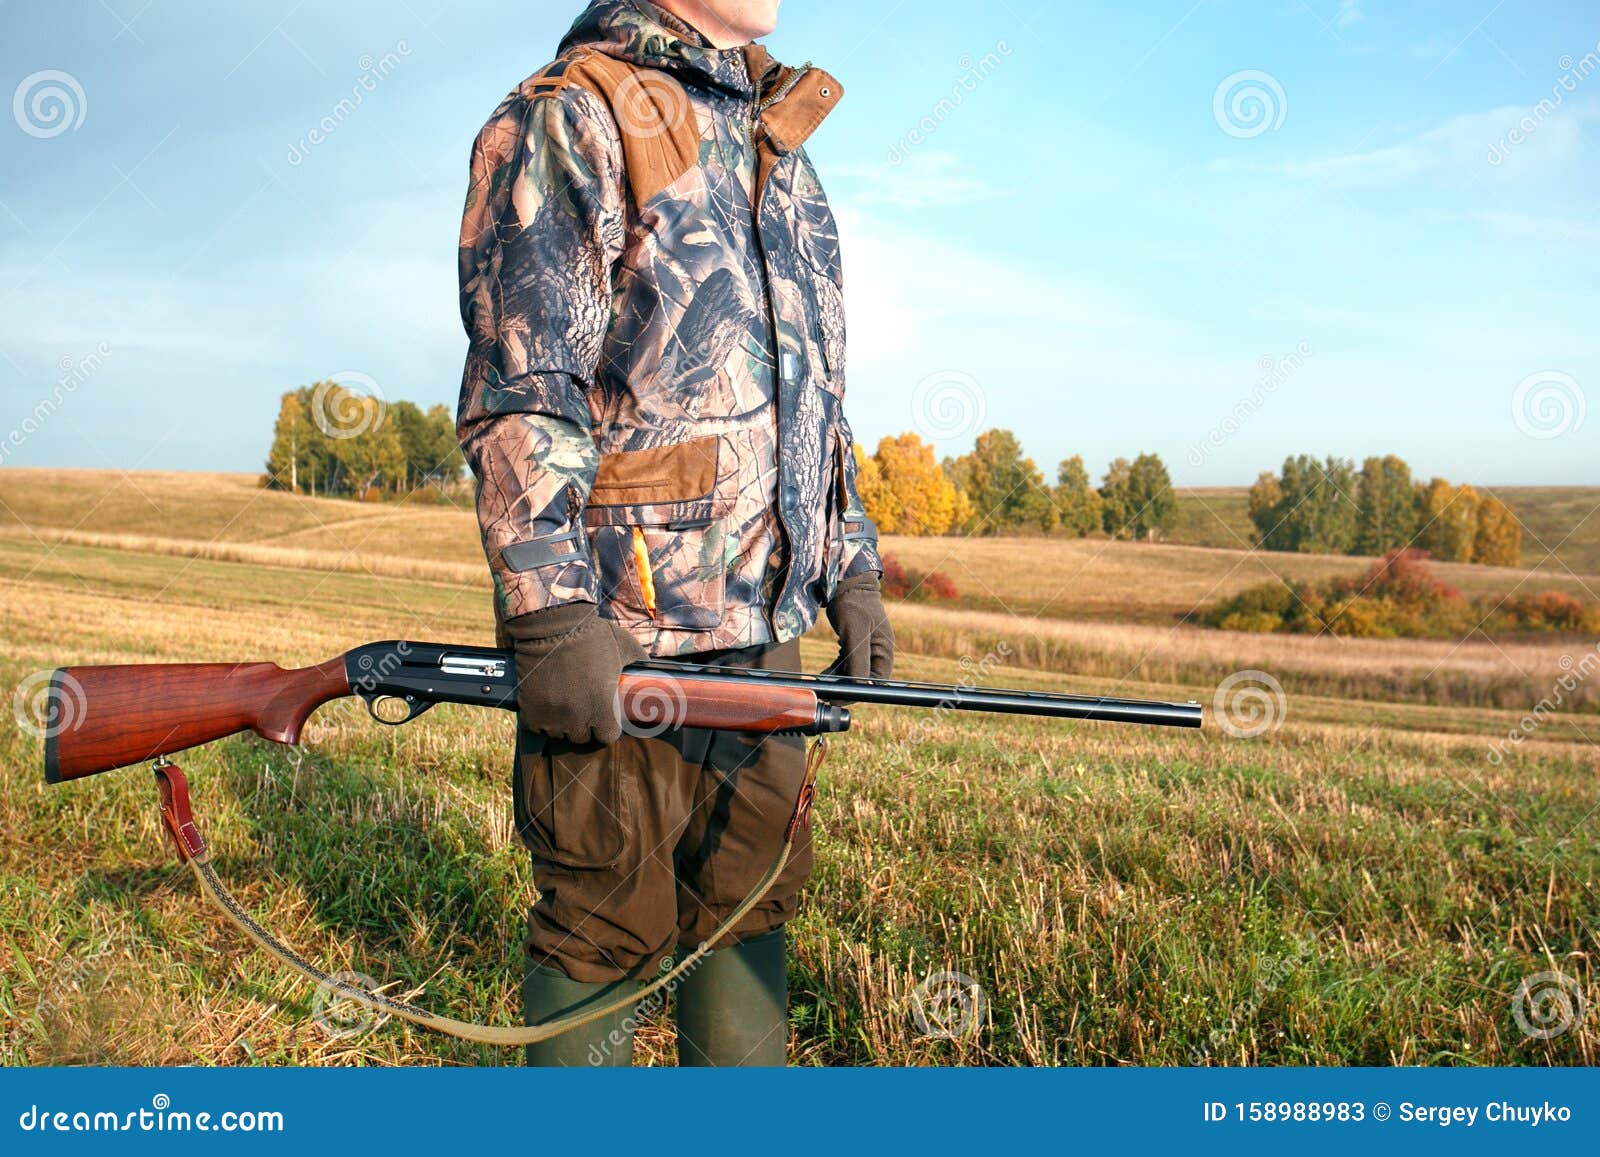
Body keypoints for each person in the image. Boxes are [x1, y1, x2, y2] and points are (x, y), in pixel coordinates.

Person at [454, 0, 892, 1066]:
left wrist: (851, 564)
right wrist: (552, 613)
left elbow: (810, 398)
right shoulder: (572, 116)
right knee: (604, 920)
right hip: (623, 626)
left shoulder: (777, 141)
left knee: (752, 905)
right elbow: (524, 385)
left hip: (765, 629)